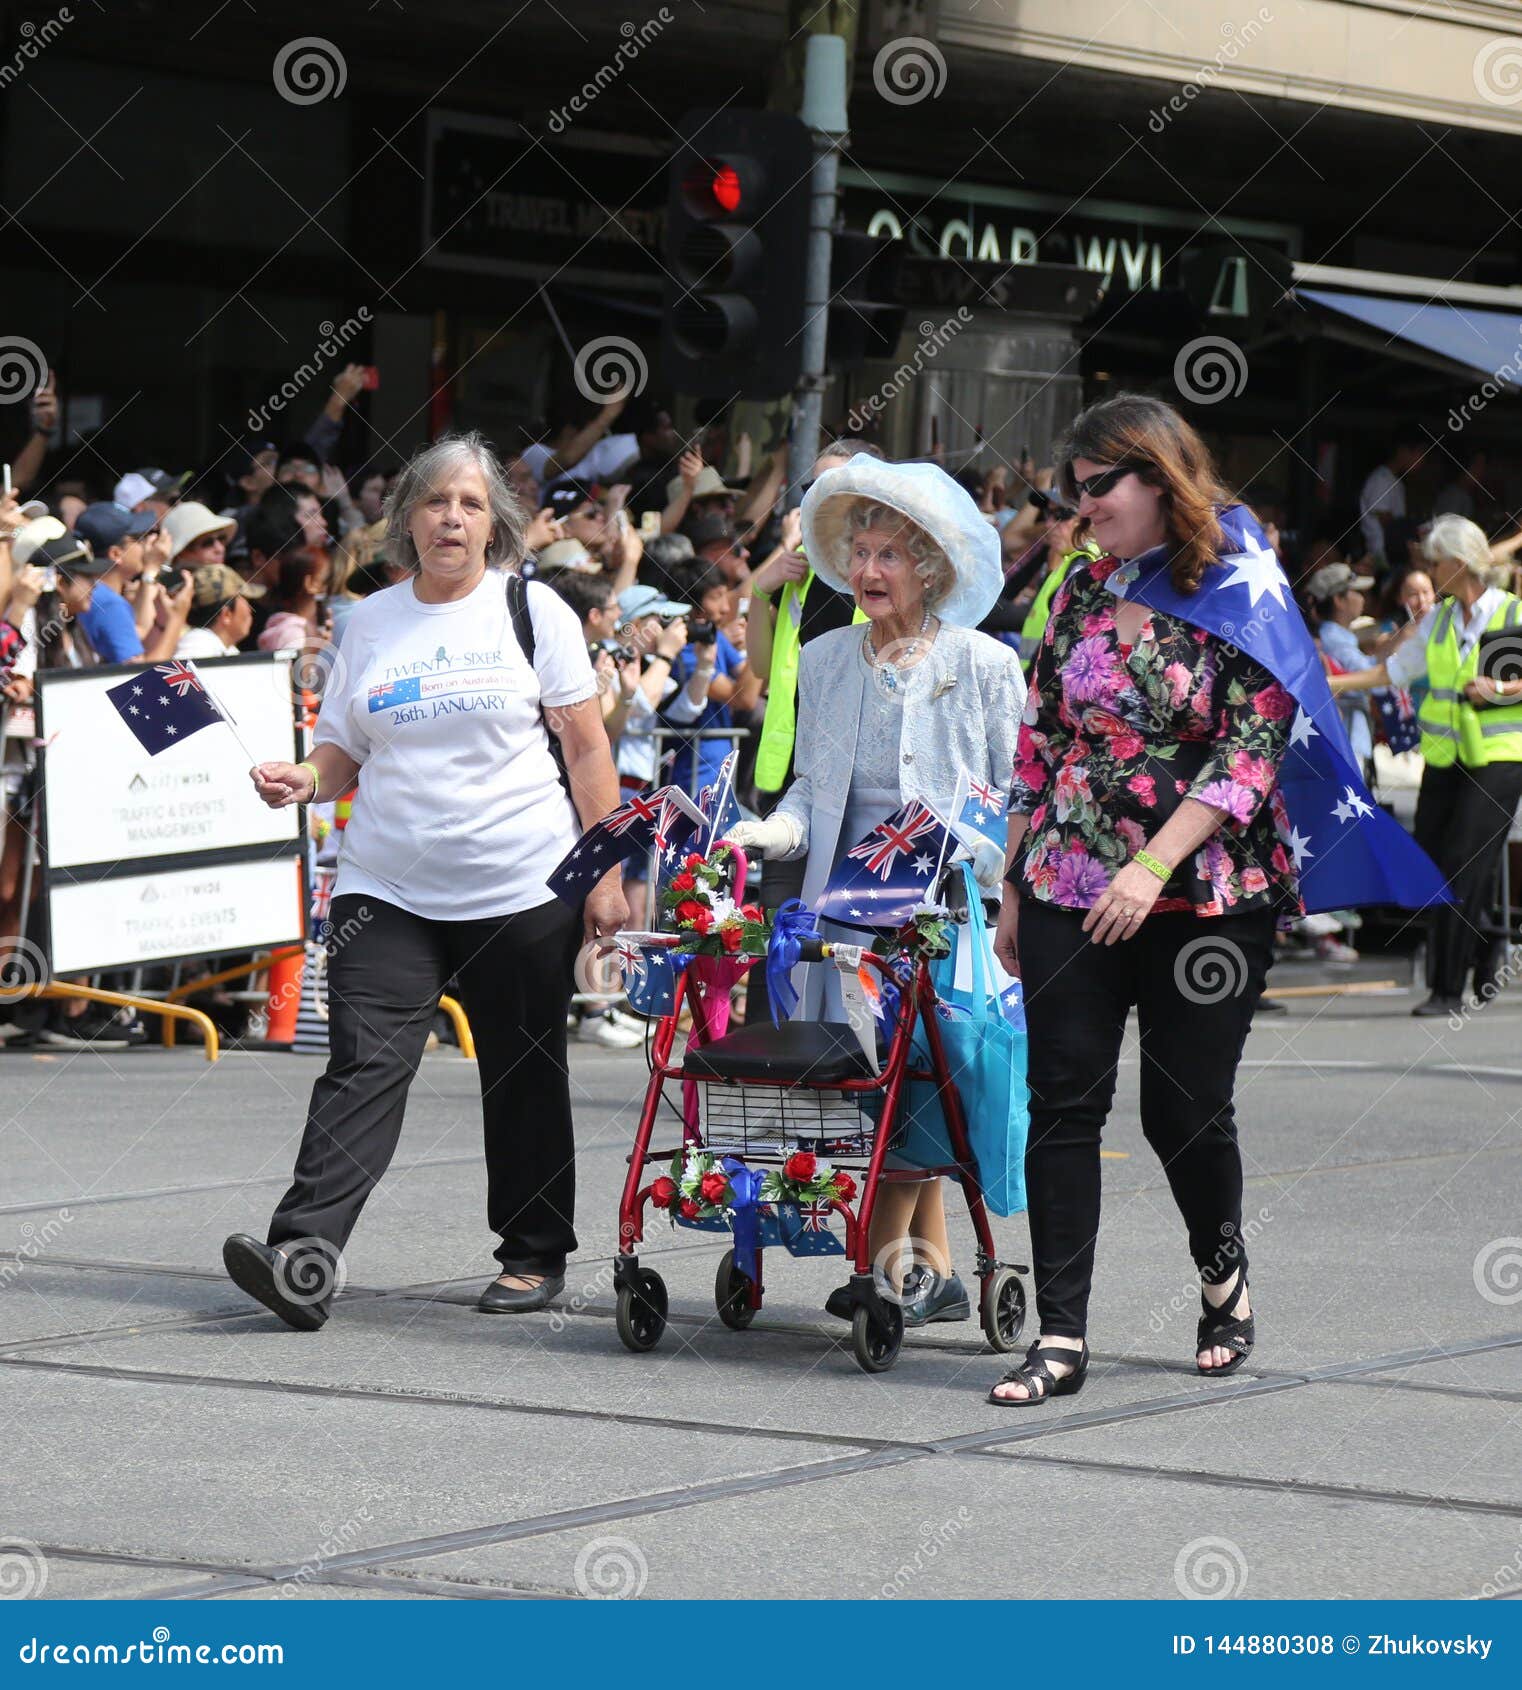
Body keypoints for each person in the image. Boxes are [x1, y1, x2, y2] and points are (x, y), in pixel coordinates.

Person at [221, 431, 628, 1329]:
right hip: (385, 887)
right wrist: (307, 777)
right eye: (435, 501)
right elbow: (342, 748)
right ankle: (303, 1253)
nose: (452, 516)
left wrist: (603, 877)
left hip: (521, 883)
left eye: (471, 503)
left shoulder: (535, 611)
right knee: (363, 1063)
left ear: (496, 526)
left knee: (522, 1071)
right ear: (407, 517)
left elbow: (586, 745)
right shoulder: (369, 621)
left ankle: (532, 1253)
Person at [991, 395, 1307, 1405]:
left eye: (1099, 489)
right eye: (1070, 492)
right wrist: (1010, 881)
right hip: (1065, 881)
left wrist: (1150, 867)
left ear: (1160, 482)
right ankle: (1060, 1333)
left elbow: (1252, 749)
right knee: (1062, 1102)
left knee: (1183, 1113)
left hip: (1205, 895)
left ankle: (1222, 1276)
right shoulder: (1080, 589)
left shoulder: (1237, 584)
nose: (1081, 511)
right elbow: (1039, 738)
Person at [725, 454, 1024, 1328]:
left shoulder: (984, 666)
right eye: (857, 553)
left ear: (930, 567)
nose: (865, 571)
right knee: (869, 1095)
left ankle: (886, 1268)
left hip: (940, 914)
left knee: (925, 1080)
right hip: (843, 925)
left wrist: (972, 851)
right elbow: (811, 797)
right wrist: (769, 831)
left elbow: (1013, 795)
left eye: (888, 554)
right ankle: (926, 1272)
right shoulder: (822, 659)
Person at [1329, 514, 1522, 1016]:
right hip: (1446, 761)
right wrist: (1331, 684)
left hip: (1499, 760)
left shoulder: (1506, 614)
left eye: (1435, 564)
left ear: (1457, 564)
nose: (1431, 573)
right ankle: (1483, 950)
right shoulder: (1438, 622)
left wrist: (1496, 688)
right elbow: (1390, 671)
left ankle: (1445, 990)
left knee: (1463, 865)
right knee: (1436, 866)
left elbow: (1516, 683)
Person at [661, 565, 756, 799]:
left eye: (726, 595)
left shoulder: (715, 638)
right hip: (693, 771)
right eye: (716, 597)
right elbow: (744, 698)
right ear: (693, 605)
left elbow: (759, 681)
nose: (726, 608)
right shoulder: (685, 651)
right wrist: (758, 638)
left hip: (720, 764)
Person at [1308, 560, 1377, 773]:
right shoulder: (1334, 639)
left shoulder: (1335, 636)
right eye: (1356, 592)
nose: (1362, 598)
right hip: (1348, 738)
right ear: (1339, 600)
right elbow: (1370, 677)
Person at [1357, 429, 1423, 568]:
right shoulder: (1381, 479)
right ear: (1403, 451)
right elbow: (1387, 522)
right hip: (1381, 559)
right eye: (1419, 453)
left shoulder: (1396, 482)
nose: (1421, 460)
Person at [175, 565, 265, 658]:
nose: (250, 609)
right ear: (227, 615)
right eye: (245, 599)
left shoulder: (218, 647)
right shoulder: (199, 646)